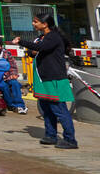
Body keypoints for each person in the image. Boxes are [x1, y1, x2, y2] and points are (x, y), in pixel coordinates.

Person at [13, 15, 76, 147]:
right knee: (46, 109)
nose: (33, 24)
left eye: (36, 22)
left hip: (53, 79)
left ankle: (70, 139)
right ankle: (50, 135)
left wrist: (21, 41)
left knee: (59, 110)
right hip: (43, 79)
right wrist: (32, 50)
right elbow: (36, 51)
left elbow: (40, 48)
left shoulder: (53, 37)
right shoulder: (44, 37)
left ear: (45, 24)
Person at [0, 37, 27, 115]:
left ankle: (20, 105)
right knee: (4, 87)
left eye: (1, 46)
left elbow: (13, 66)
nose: (0, 47)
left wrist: (13, 75)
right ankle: (10, 105)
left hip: (7, 76)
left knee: (14, 83)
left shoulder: (6, 53)